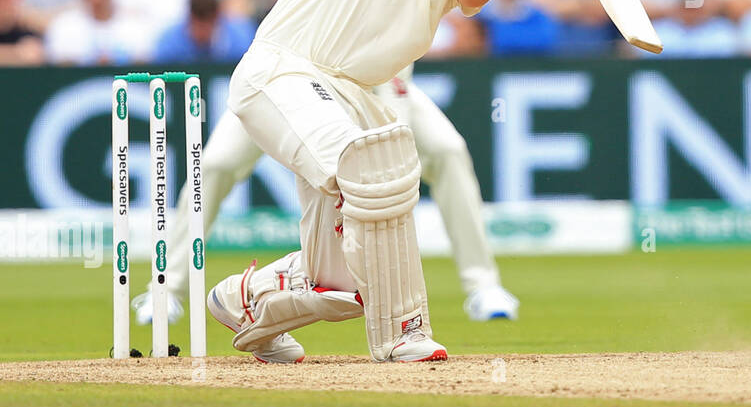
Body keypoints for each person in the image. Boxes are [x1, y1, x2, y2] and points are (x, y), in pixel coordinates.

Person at [206, 0, 593, 363]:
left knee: (342, 282)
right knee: (374, 171)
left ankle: (248, 298)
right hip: (285, 70)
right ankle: (402, 335)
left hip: (354, 94)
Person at [135, 63, 520, 330]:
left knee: (449, 151)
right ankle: (164, 290)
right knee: (216, 164)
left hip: (372, 87)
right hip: (282, 82)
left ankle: (484, 286)